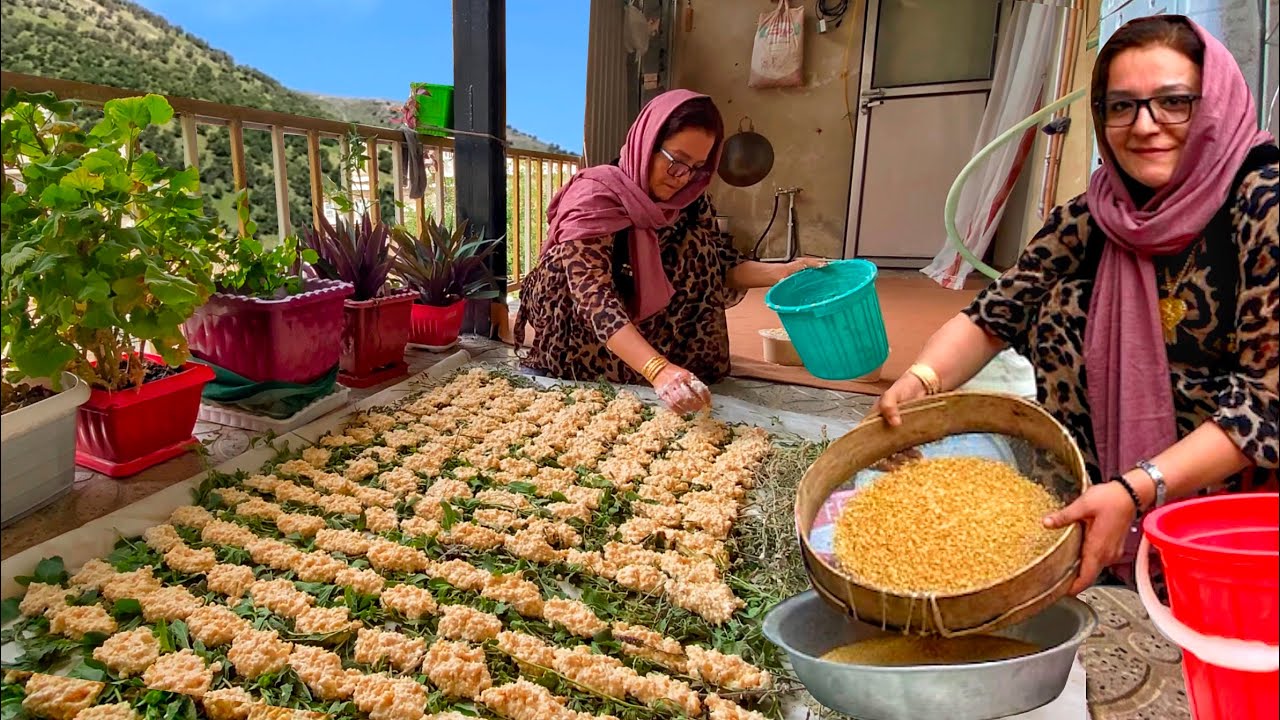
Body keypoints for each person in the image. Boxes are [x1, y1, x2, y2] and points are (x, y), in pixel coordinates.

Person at [874, 15, 1277, 594]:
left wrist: (1138, 489)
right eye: (1121, 107)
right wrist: (922, 380)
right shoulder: (1097, 214)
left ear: (1214, 105)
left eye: (1173, 102)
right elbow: (995, 314)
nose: (1145, 127)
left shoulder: (1263, 205)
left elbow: (1264, 406)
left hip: (1216, 523)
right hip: (1086, 497)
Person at [514, 89, 823, 413]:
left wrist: (785, 272)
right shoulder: (595, 197)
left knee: (699, 248)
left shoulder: (690, 197)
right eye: (676, 161)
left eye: (697, 166)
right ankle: (630, 366)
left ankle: (667, 365)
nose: (683, 177)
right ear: (647, 143)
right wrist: (657, 370)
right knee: (618, 374)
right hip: (582, 320)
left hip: (641, 301)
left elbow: (717, 264)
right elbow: (594, 297)